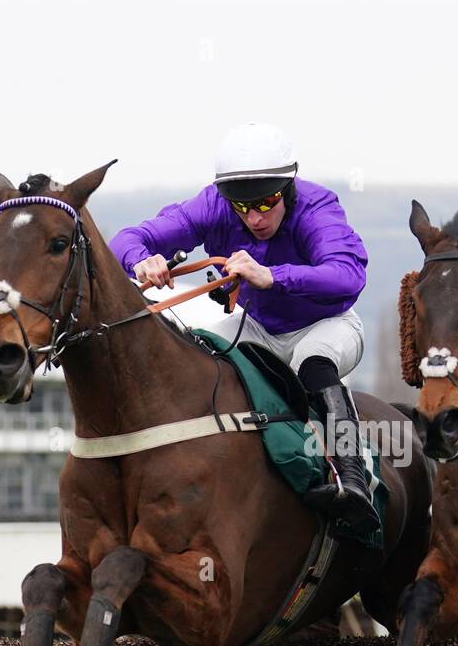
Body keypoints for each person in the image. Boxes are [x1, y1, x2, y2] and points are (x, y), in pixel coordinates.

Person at [109, 122, 378, 534]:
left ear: (288, 189)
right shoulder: (212, 204)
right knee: (203, 354)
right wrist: (141, 259)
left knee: (313, 362)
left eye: (267, 203)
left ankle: (352, 477)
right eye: (242, 207)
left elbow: (347, 276)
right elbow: (129, 238)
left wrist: (273, 276)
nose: (254, 218)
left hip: (327, 324)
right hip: (258, 326)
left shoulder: (317, 207)